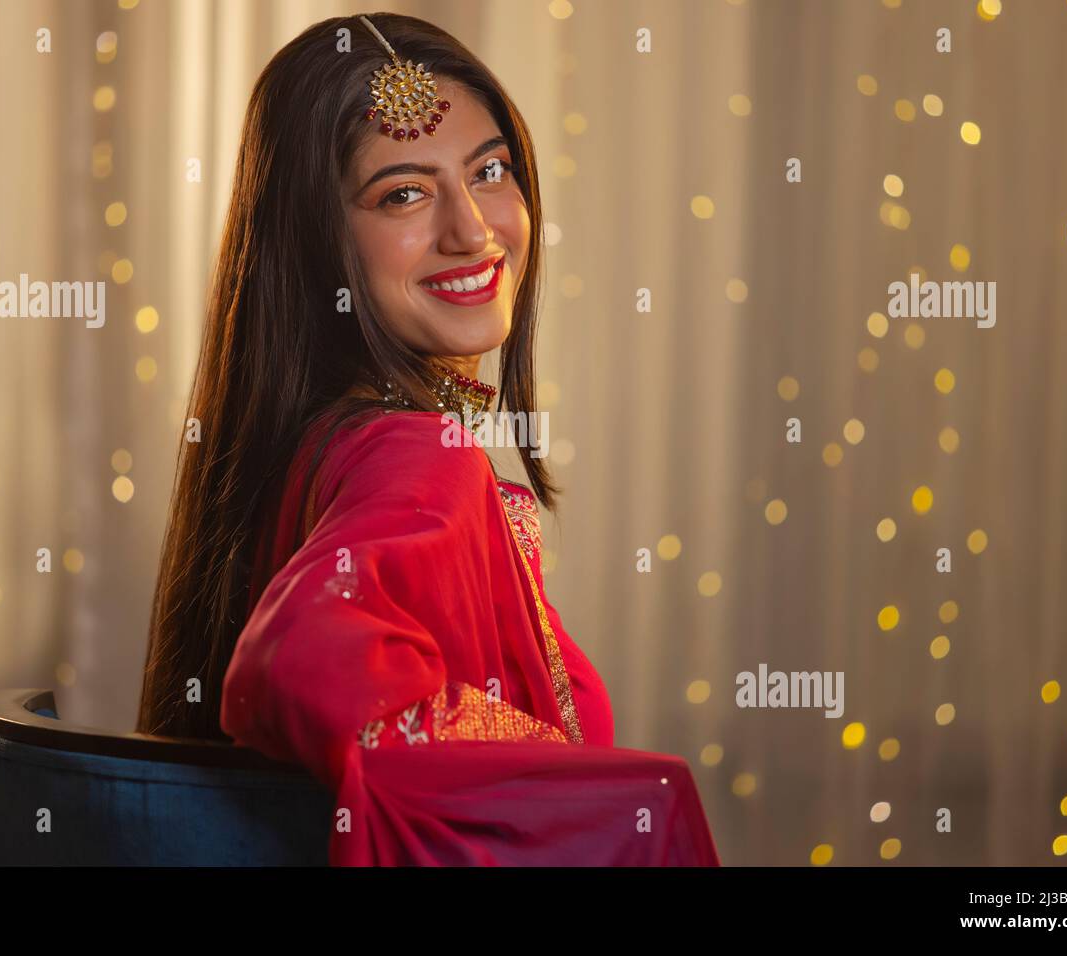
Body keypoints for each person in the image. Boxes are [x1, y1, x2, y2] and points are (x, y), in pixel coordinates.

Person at [137, 12, 720, 866]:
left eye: (489, 172)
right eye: (404, 193)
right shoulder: (415, 452)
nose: (473, 230)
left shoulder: (303, 448)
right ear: (317, 243)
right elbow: (299, 656)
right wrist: (618, 799)